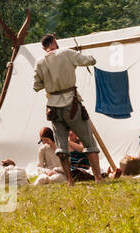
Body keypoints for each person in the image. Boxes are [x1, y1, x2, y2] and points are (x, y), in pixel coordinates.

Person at [33, 33, 102, 185]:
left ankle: (70, 180)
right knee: (89, 143)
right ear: (55, 42)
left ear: (44, 47)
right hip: (72, 104)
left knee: (61, 147)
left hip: (53, 108)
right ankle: (98, 178)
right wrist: (76, 57)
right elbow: (91, 60)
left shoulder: (39, 62)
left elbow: (36, 86)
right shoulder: (67, 52)